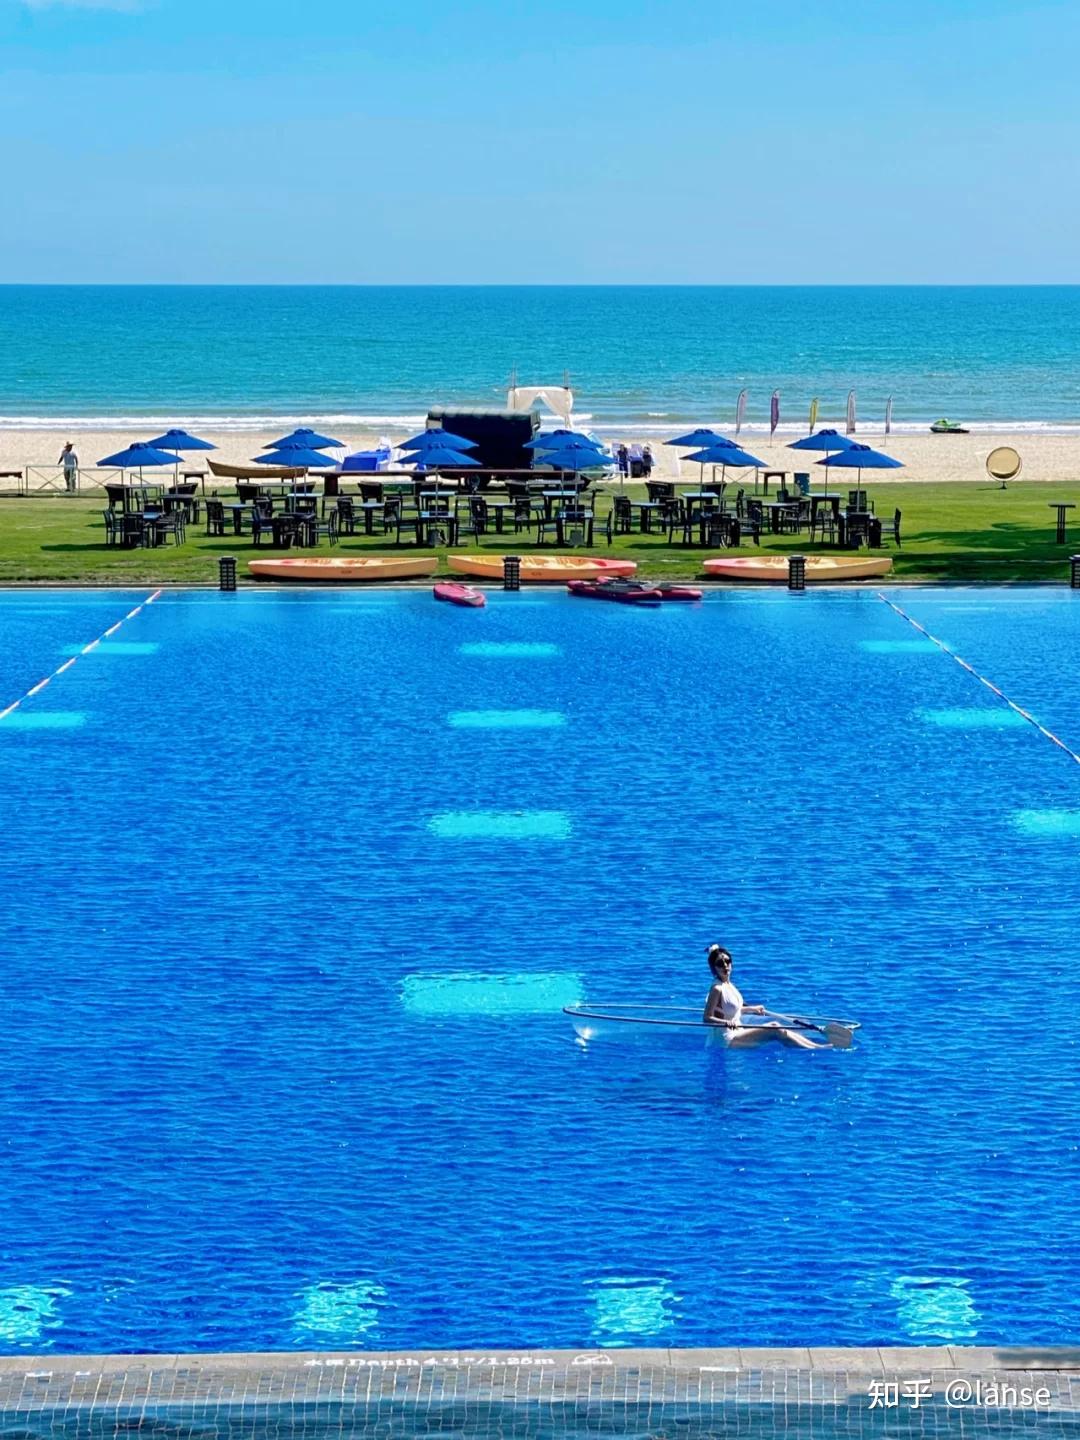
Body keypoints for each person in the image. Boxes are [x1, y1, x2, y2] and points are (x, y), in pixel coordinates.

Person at [702, 943, 827, 1049]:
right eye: (720, 963)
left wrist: (753, 1009)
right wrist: (726, 1022)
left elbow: (731, 1010)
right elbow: (707, 1018)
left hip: (738, 1032)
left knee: (779, 1027)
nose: (725, 965)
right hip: (726, 1039)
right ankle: (817, 1049)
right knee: (774, 1028)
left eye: (727, 961)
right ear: (714, 968)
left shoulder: (728, 985)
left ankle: (816, 1046)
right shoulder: (717, 989)